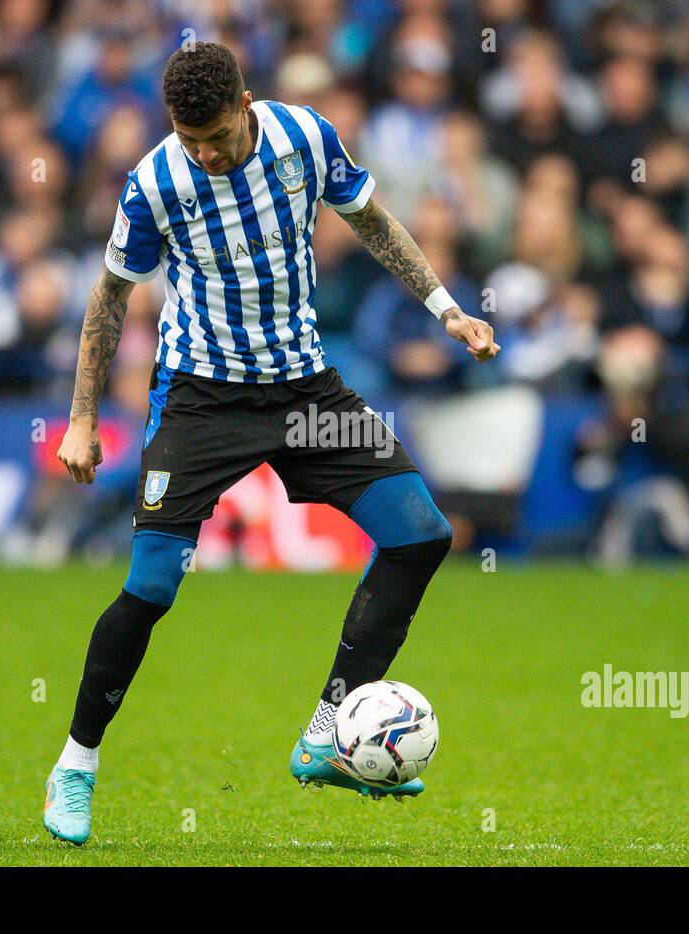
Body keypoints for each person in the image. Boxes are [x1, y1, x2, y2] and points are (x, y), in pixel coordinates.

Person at [43, 42, 500, 845]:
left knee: (421, 532)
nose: (208, 153)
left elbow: (372, 222)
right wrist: (82, 417)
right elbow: (111, 297)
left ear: (247, 103)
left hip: (302, 392)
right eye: (192, 141)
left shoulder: (304, 138)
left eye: (217, 135)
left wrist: (446, 309)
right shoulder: (155, 181)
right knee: (150, 588)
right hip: (201, 400)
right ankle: (76, 763)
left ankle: (328, 731)